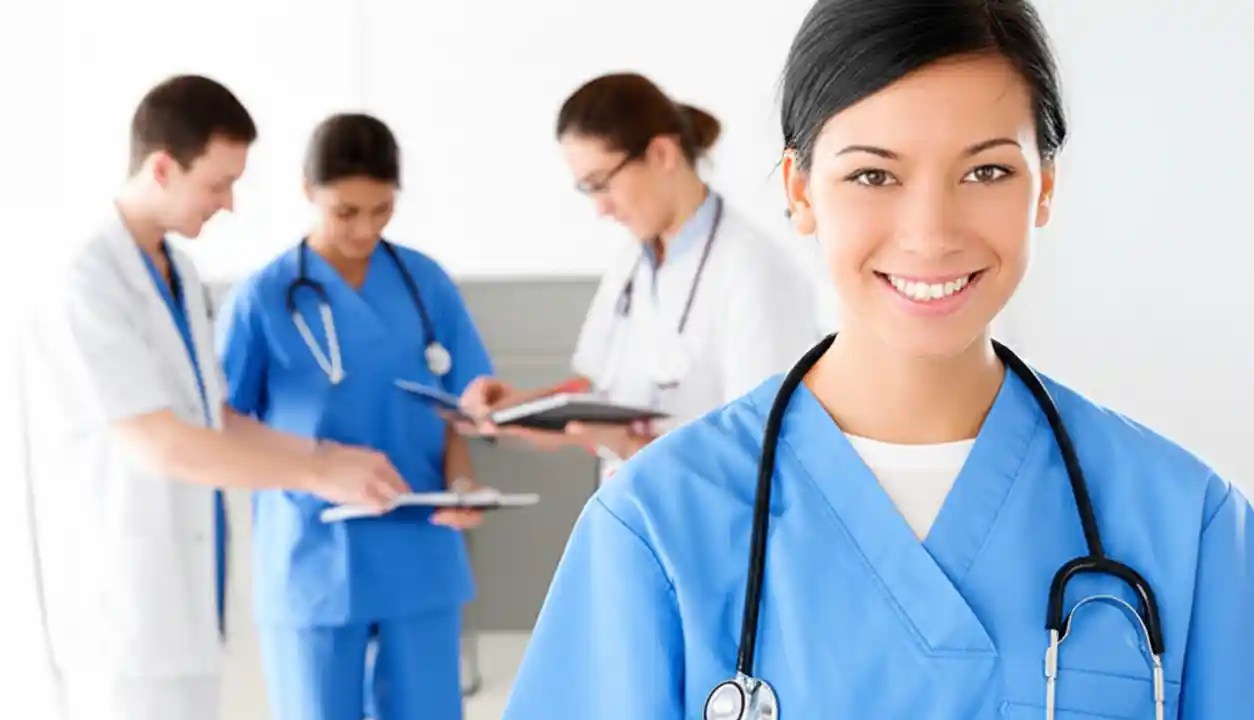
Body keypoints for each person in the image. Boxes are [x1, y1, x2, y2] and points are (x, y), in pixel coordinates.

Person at [502, 1, 1254, 718]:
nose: (930, 232)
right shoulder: (655, 528)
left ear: (1044, 186)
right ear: (800, 191)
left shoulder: (1191, 528)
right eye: (873, 174)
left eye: (986, 171)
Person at [18, 76, 408, 720]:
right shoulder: (85, 280)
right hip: (119, 608)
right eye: (218, 184)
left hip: (186, 603)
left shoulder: (180, 273)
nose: (228, 204)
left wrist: (330, 457)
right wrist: (316, 472)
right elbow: (161, 443)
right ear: (162, 168)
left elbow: (214, 420)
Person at [216, 112, 494, 720]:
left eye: (381, 210)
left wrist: (462, 483)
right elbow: (225, 428)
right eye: (346, 212)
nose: (365, 228)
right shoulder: (263, 298)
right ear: (307, 191)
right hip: (312, 552)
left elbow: (460, 407)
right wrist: (310, 468)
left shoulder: (424, 283)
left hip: (419, 548)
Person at [463, 73, 820, 466]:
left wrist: (628, 446)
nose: (601, 208)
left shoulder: (756, 271)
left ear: (662, 154)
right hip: (629, 498)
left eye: (601, 183)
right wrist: (520, 408)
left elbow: (763, 446)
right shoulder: (631, 263)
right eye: (588, 189)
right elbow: (596, 389)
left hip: (702, 505)